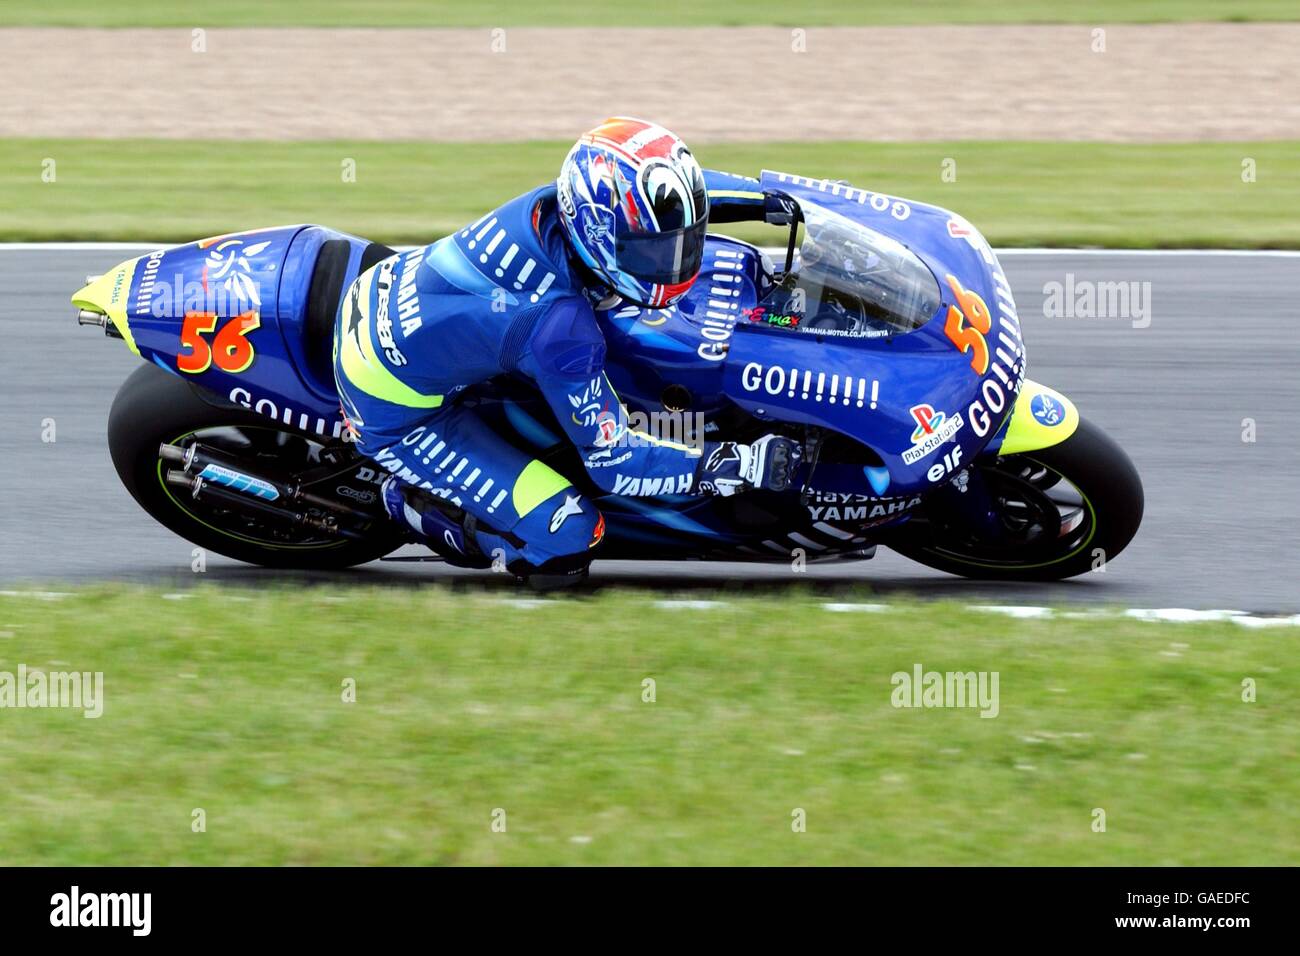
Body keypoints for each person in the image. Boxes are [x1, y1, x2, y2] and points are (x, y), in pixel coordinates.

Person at [333, 117, 798, 583]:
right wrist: (729, 463)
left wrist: (771, 198)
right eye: (652, 251)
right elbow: (612, 464)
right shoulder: (561, 328)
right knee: (569, 539)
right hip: (395, 409)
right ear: (599, 237)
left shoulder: (561, 203)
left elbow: (669, 195)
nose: (672, 262)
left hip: (391, 297)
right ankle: (404, 503)